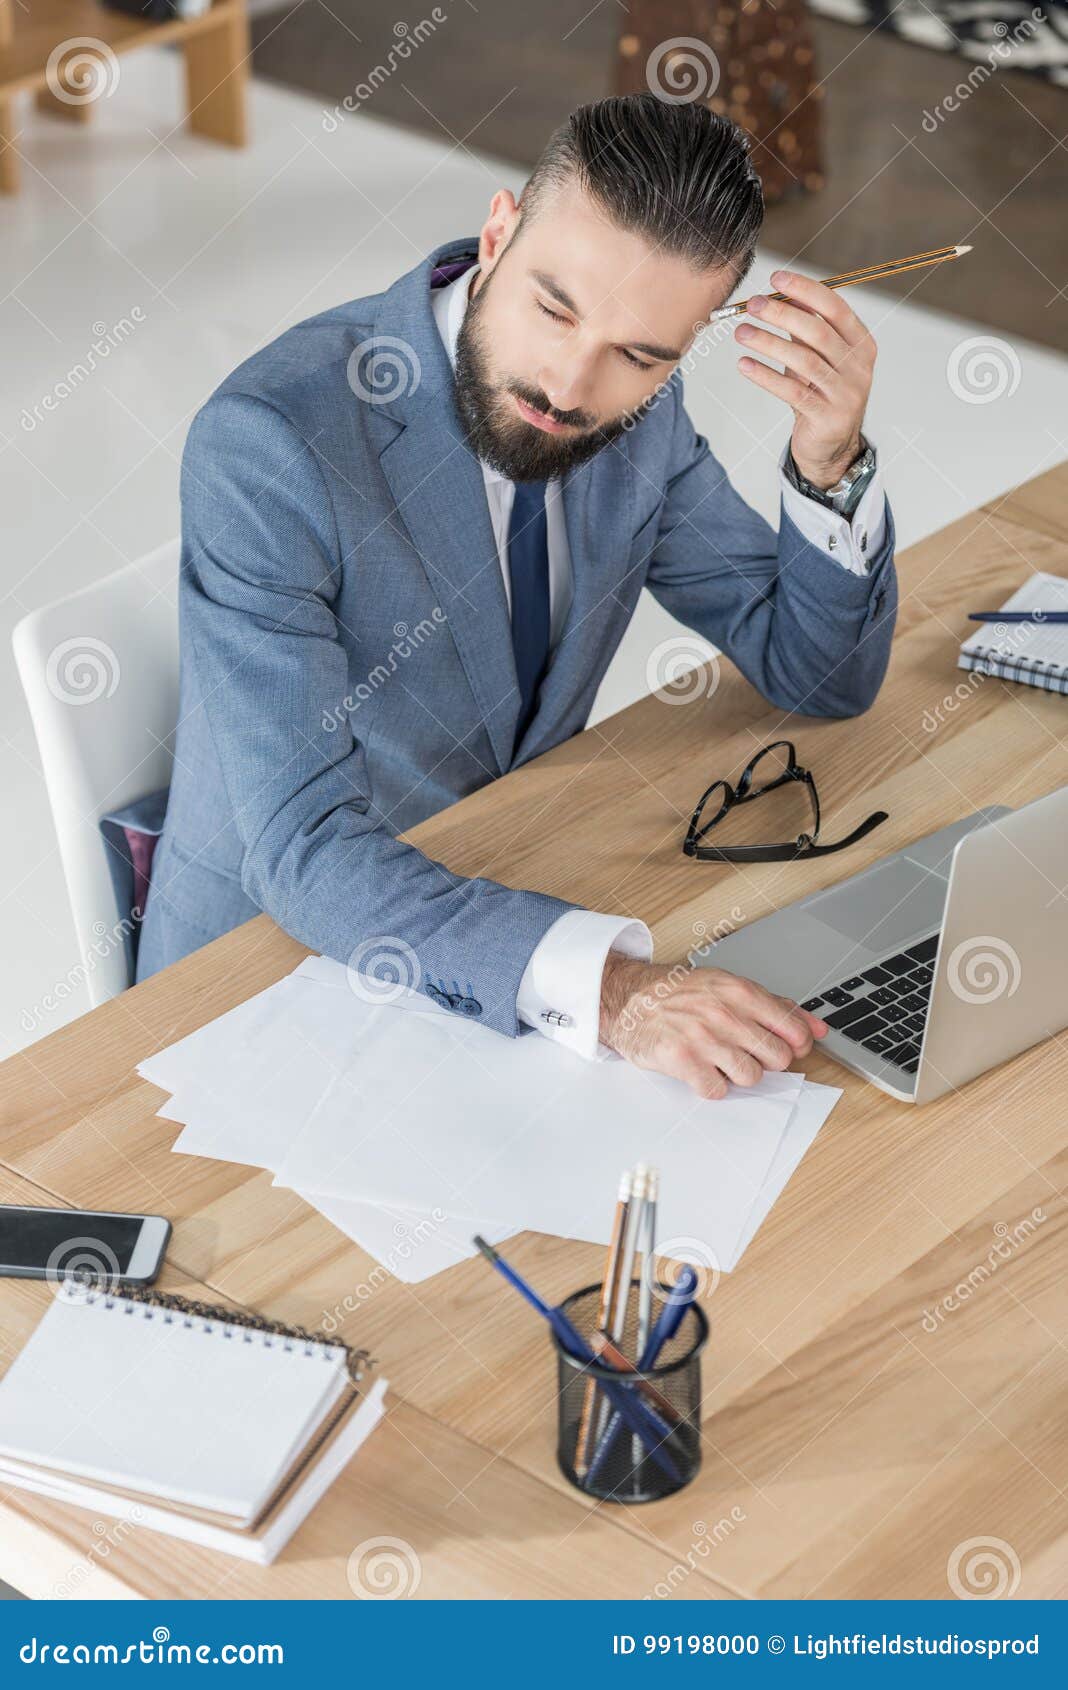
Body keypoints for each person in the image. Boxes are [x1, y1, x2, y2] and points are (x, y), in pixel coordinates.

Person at [138, 94, 897, 1100]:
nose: (573, 388)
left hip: (501, 911)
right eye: (555, 307)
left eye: (640, 353)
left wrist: (829, 457)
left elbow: (821, 676)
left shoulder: (644, 422)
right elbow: (306, 849)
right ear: (498, 235)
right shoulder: (275, 442)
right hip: (263, 986)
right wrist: (617, 994)